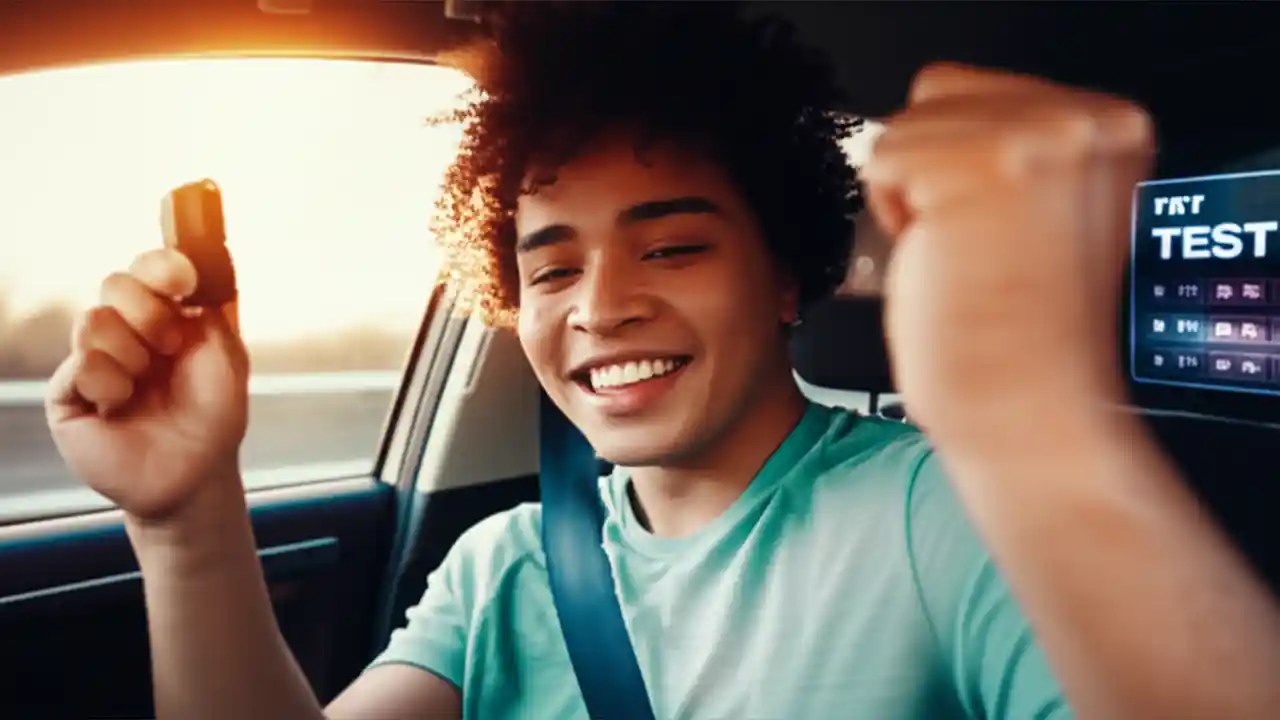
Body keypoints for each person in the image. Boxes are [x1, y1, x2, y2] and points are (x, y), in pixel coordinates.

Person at [45, 3, 1280, 719]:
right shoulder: (505, 566)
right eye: (551, 266)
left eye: (673, 245)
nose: (601, 306)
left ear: (786, 272)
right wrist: (187, 520)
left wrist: (1027, 421)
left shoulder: (943, 511)